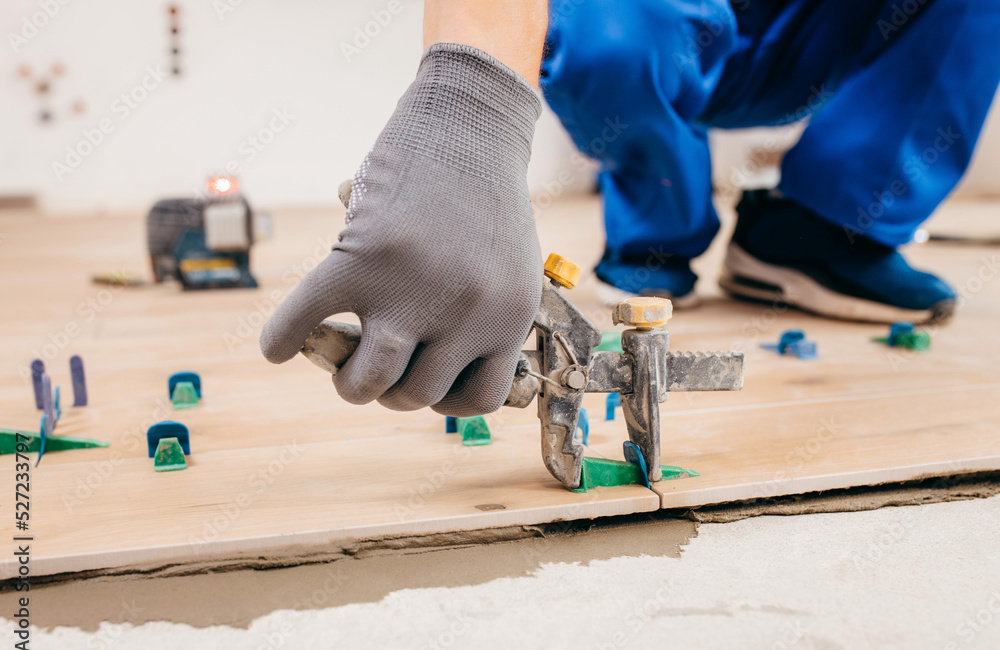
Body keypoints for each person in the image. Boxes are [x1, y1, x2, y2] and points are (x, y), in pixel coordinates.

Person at [260, 0, 1000, 417]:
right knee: (608, 33)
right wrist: (467, 105)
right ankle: (652, 242)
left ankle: (826, 230)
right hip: (654, 23)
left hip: (825, 26)